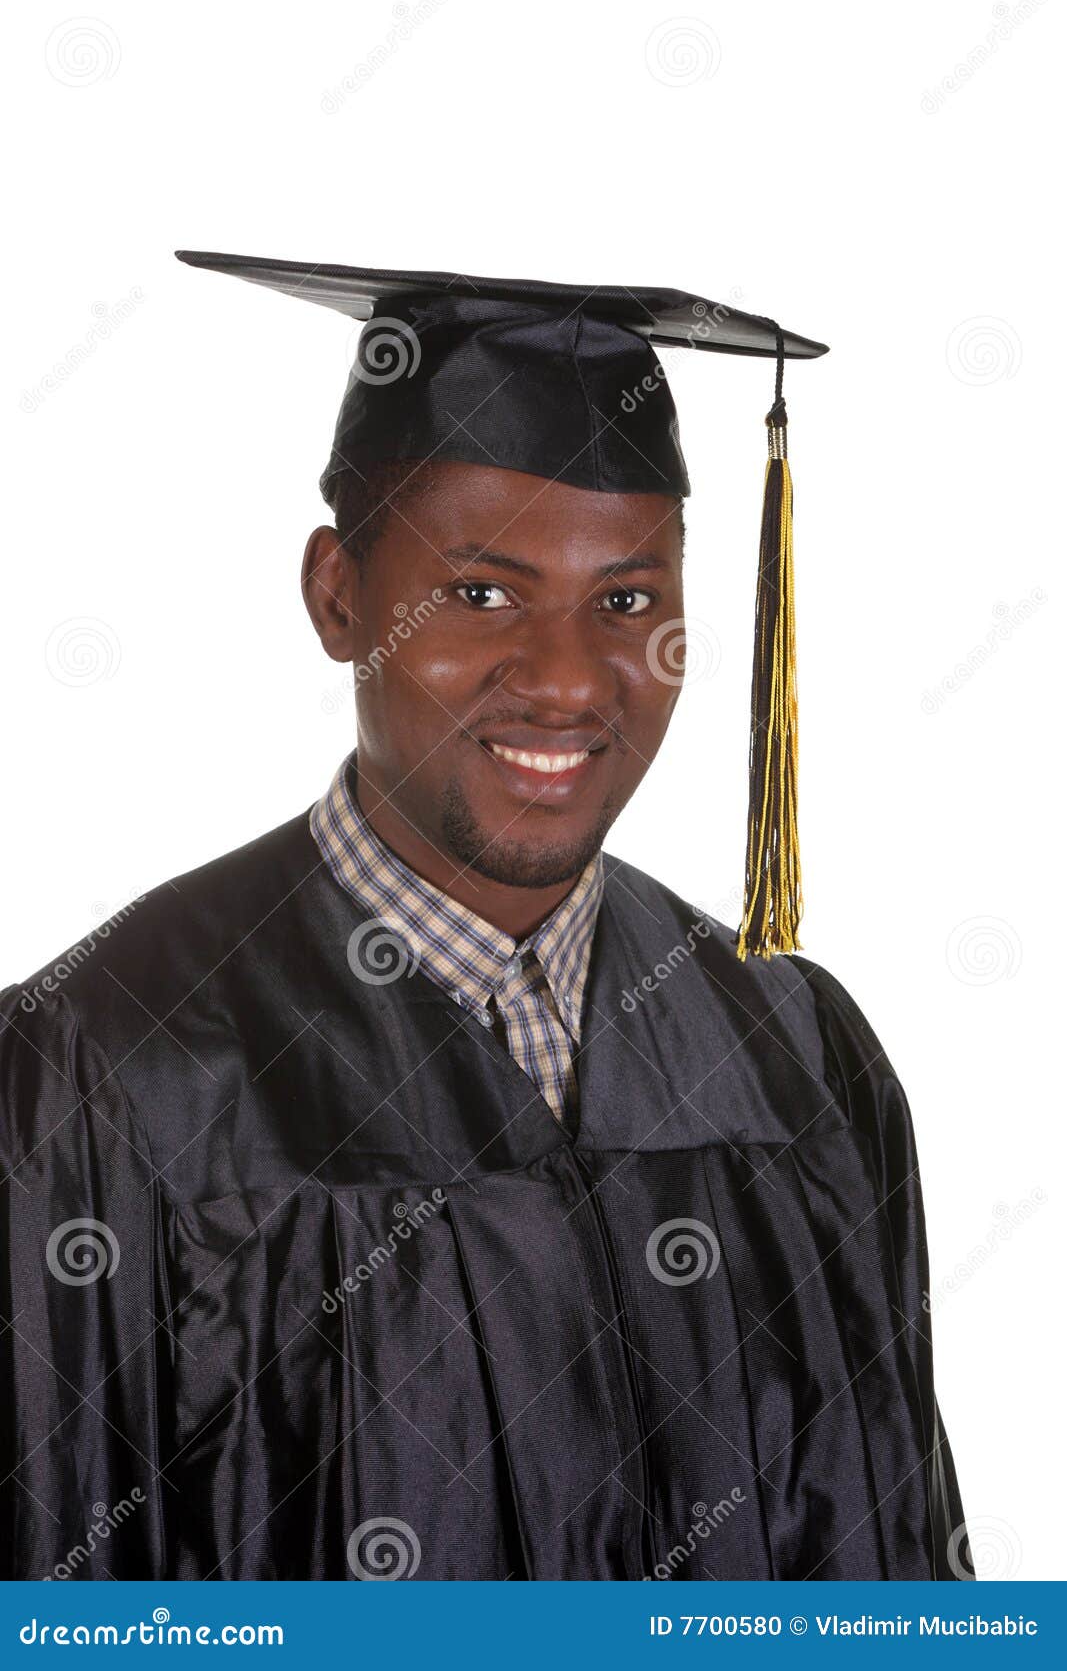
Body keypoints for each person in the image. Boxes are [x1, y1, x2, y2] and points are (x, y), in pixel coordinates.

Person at [0, 254, 966, 1580]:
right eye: (482, 594)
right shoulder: (100, 1071)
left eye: (627, 602)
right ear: (341, 596)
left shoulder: (798, 1055)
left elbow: (898, 1575)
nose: (567, 680)